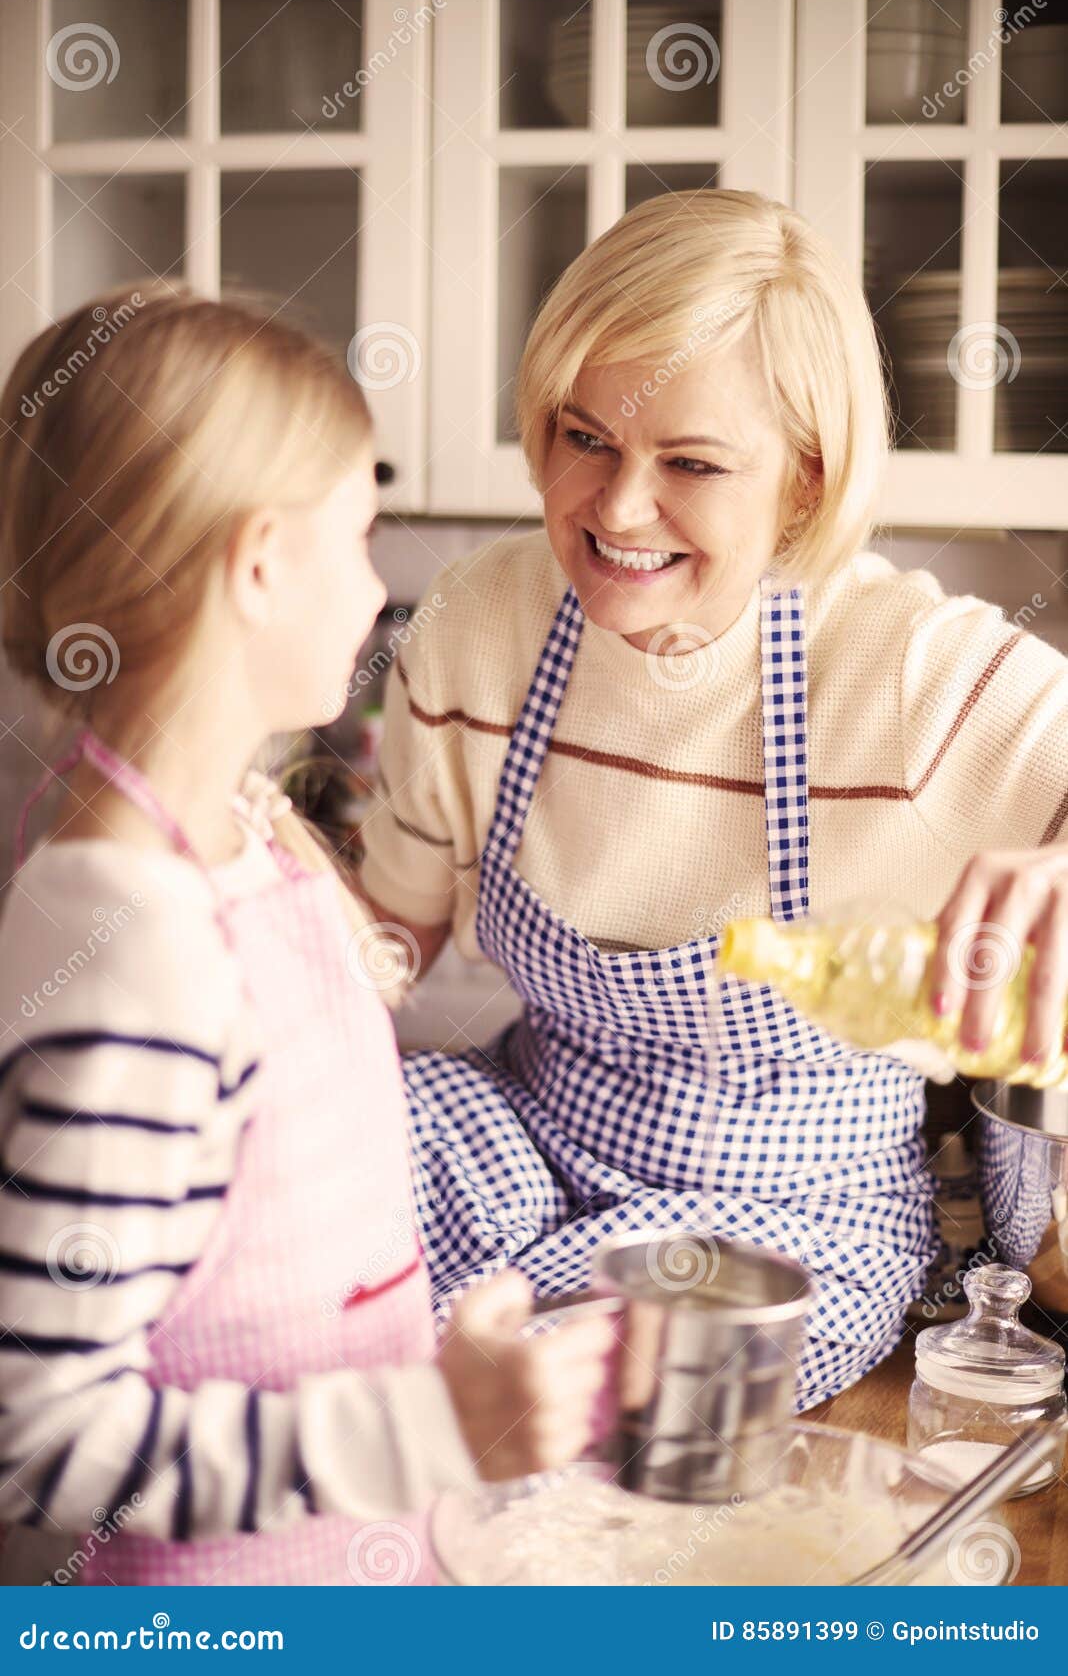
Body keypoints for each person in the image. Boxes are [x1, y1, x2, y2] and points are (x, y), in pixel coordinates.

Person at [358, 188, 1068, 1410]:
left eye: (690, 462)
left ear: (805, 479)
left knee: (600, 1400)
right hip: (530, 1133)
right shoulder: (479, 620)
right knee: (298, 1231)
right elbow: (390, 937)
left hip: (798, 1215)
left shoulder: (906, 669)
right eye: (585, 437)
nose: (617, 508)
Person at [0, 284, 612, 1585]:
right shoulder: (134, 951)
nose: (379, 586)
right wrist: (424, 1425)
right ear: (262, 562)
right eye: (361, 534)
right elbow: (43, 1436)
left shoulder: (241, 834)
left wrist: (444, 1371)